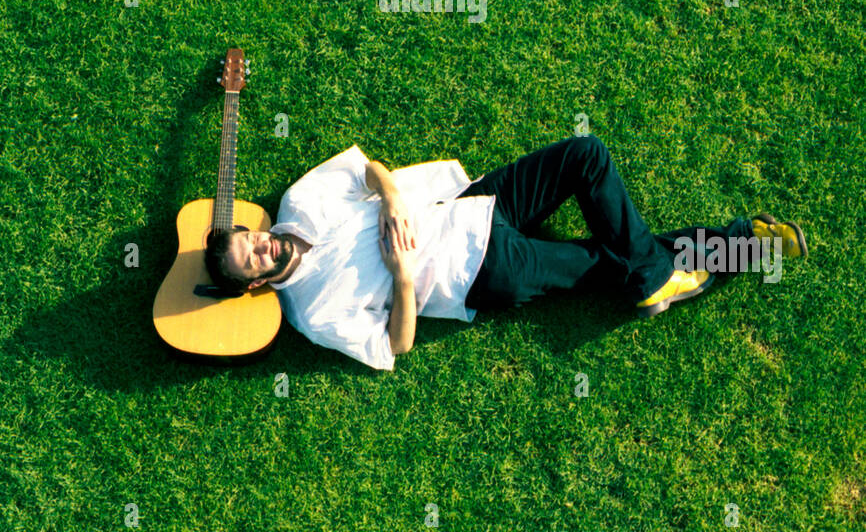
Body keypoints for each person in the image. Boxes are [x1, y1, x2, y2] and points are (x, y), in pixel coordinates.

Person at [203, 137, 807, 372]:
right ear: (255, 284)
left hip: (472, 201)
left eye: (250, 239)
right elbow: (394, 346)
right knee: (605, 257)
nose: (262, 246)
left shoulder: (298, 200)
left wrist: (388, 197)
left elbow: (365, 168)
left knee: (586, 157)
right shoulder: (311, 310)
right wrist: (402, 278)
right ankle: (739, 246)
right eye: (252, 260)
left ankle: (654, 277)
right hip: (484, 270)